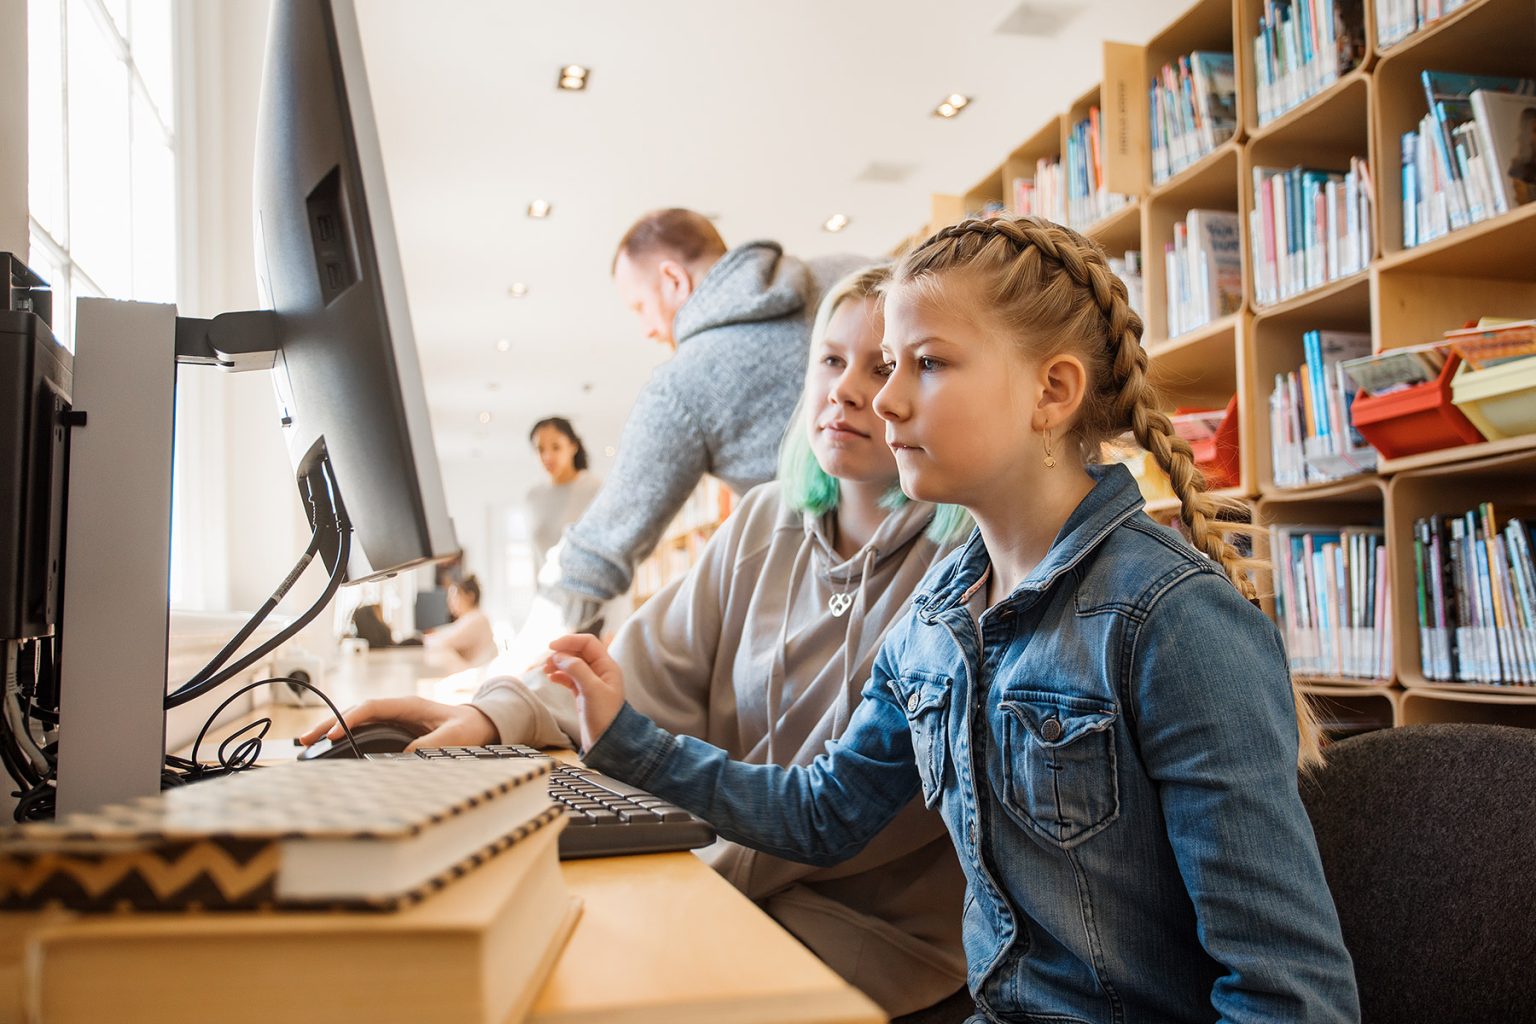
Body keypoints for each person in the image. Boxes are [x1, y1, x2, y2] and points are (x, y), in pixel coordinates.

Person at [542, 218, 1361, 1023]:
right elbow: (824, 813)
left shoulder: (1174, 621)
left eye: (926, 364)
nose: (885, 399)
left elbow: (1290, 995)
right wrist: (625, 738)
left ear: (1053, 392)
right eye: (891, 364)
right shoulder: (934, 619)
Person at [302, 266, 973, 1018]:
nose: (847, 388)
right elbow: (631, 670)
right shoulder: (763, 521)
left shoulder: (963, 566)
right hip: (730, 878)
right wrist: (493, 714)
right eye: (831, 359)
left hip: (873, 932)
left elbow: (845, 816)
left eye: (883, 366)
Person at [549, 207, 866, 631]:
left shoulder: (681, 385)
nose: (646, 328)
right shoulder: (854, 276)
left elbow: (596, 556)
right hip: (946, 566)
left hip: (842, 611)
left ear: (674, 280)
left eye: (640, 307)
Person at [525, 416, 601, 583]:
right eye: (540, 449)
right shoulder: (533, 496)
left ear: (573, 446)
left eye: (556, 447)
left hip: (591, 591)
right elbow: (537, 560)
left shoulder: (595, 489)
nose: (547, 456)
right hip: (550, 594)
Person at [422, 576, 498, 667]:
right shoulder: (468, 618)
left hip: (477, 672)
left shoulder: (477, 619)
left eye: (454, 596)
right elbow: (447, 632)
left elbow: (446, 641)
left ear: (470, 596)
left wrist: (421, 640)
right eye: (449, 597)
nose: (450, 602)